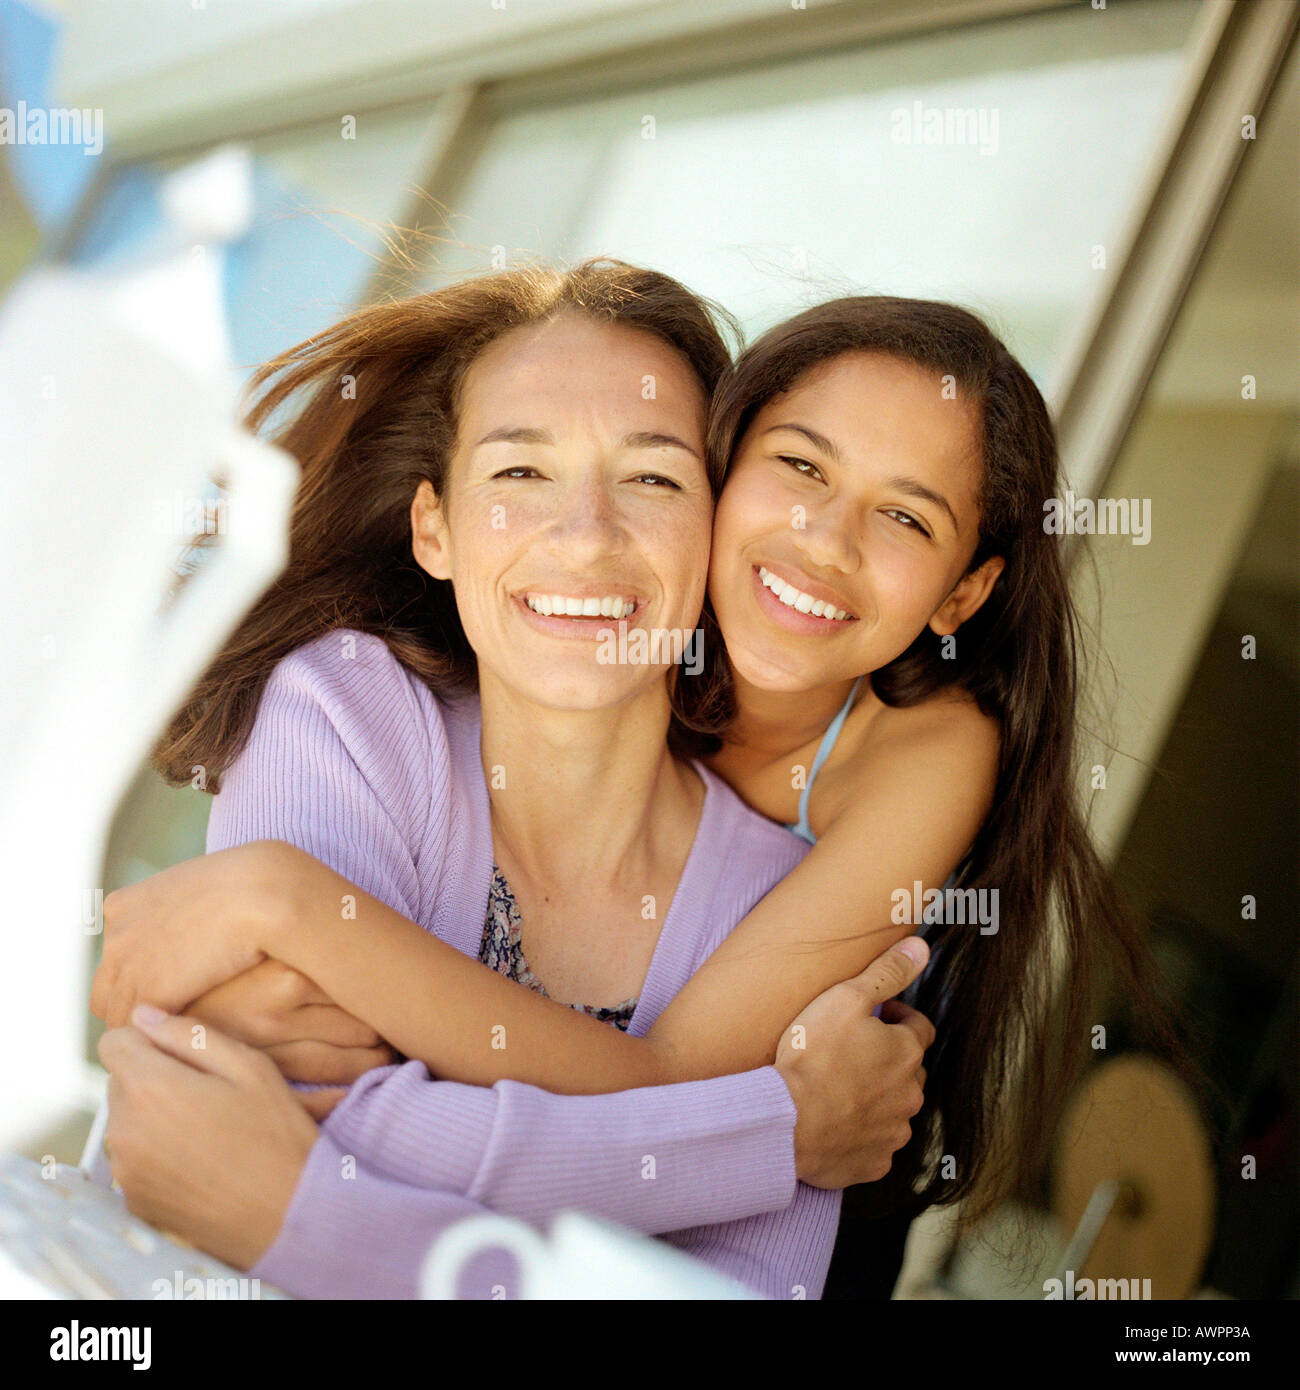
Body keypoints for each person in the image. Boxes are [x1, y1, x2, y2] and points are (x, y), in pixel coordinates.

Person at [98, 269, 1160, 1296]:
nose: (586, 533)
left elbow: (674, 1149)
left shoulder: (860, 847)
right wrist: (762, 1134)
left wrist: (313, 1198)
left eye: (651, 477)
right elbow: (258, 1103)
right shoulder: (350, 710)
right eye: (519, 471)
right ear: (434, 526)